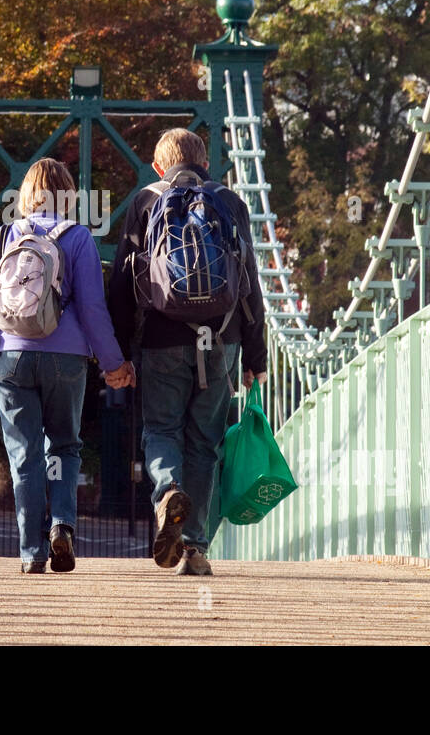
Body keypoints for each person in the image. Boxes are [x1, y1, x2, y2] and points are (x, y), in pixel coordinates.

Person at [0, 158, 135, 574]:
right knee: (63, 445)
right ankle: (62, 524)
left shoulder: (3, 234)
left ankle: (31, 552)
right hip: (66, 358)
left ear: (26, 194)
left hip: (10, 356)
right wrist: (113, 364)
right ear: (69, 195)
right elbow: (94, 310)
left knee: (24, 454)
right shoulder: (78, 238)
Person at [108, 129, 267, 576]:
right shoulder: (230, 201)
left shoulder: (145, 200)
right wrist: (257, 357)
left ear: (160, 167)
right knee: (205, 443)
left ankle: (167, 490)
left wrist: (118, 355)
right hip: (223, 340)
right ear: (205, 164)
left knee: (161, 428)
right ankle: (194, 548)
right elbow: (250, 285)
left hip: (162, 340)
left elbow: (121, 286)